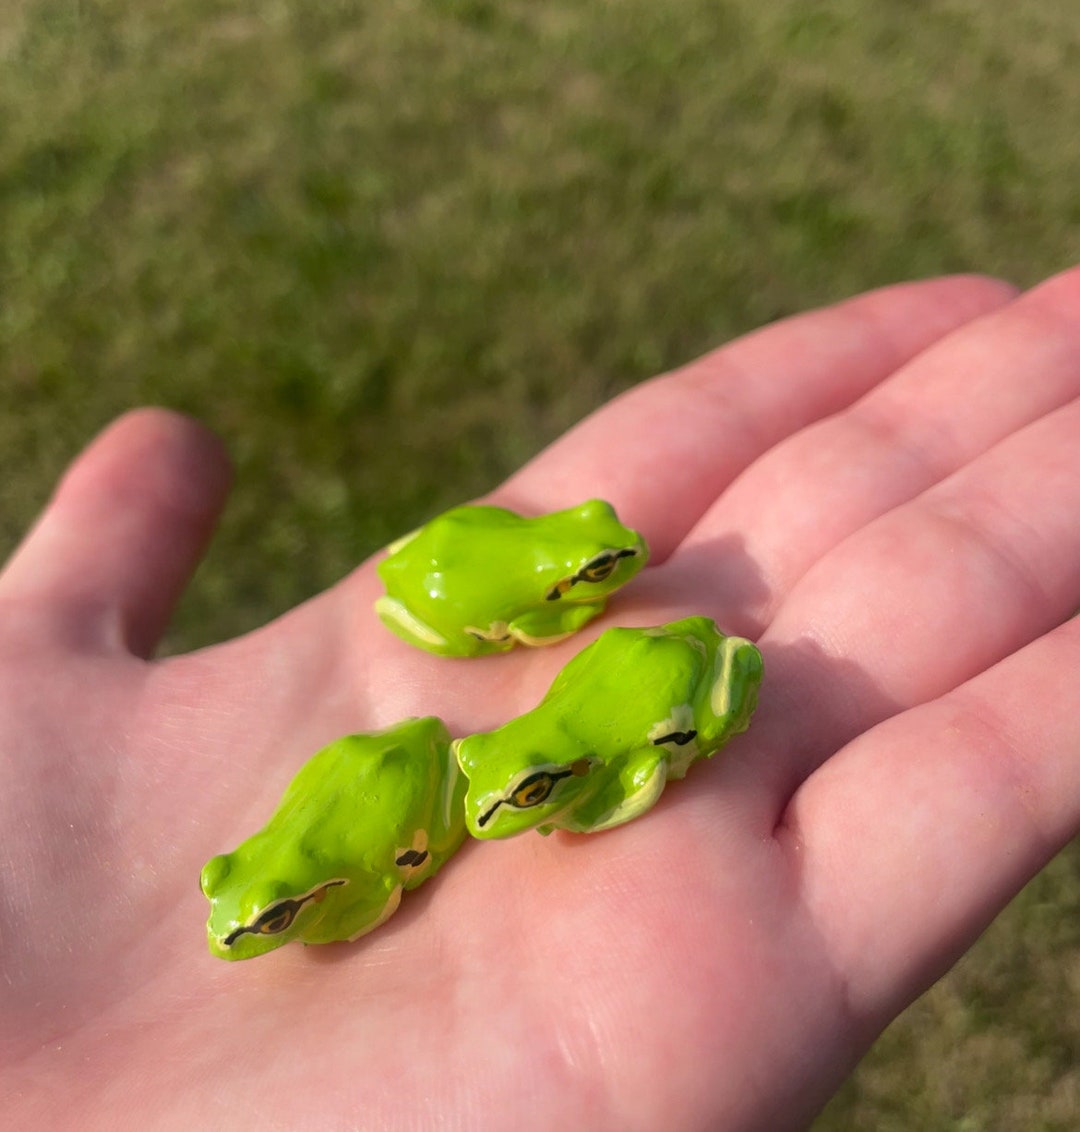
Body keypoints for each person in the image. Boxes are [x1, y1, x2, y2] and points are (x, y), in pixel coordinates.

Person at [1, 267, 1078, 1130]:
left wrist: (679, 724)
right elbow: (419, 840)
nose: (498, 813)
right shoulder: (480, 780)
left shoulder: (573, 756)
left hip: (634, 679)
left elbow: (643, 752)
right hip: (502, 659)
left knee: (681, 698)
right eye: (255, 907)